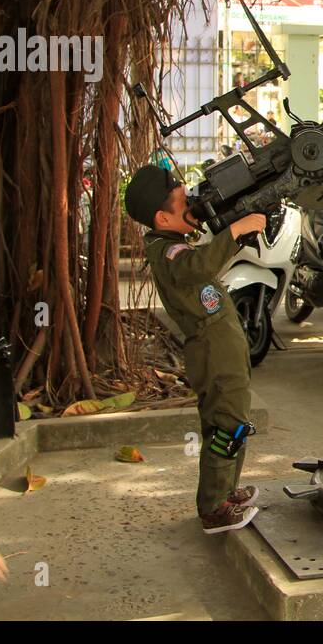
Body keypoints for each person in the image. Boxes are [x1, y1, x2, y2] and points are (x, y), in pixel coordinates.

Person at [124, 164, 267, 534]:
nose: (190, 203)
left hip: (222, 347)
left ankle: (227, 490)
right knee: (227, 427)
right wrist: (237, 229)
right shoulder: (169, 252)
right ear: (161, 216)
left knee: (230, 421)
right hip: (212, 351)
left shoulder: (174, 243)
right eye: (180, 201)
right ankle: (214, 508)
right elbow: (197, 267)